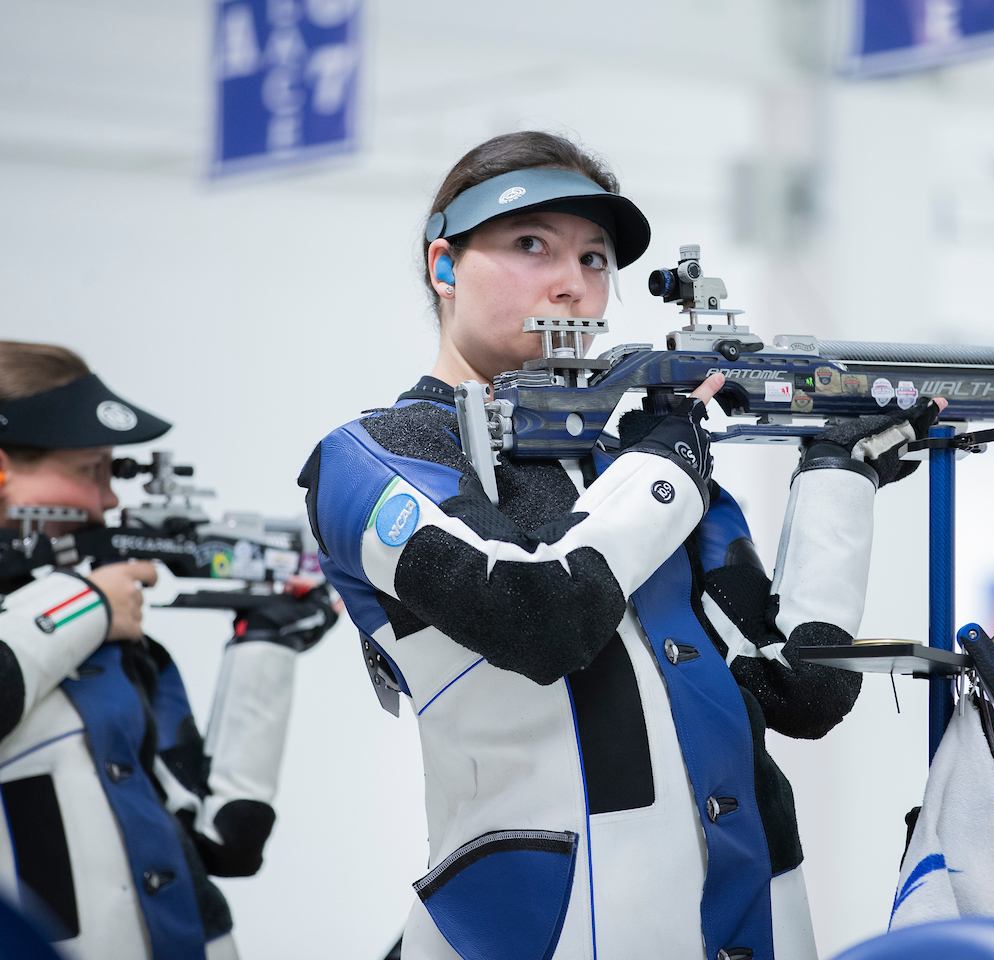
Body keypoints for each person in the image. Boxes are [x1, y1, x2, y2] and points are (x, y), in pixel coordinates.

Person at [300, 131, 943, 960]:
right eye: (532, 244)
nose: (572, 284)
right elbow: (540, 614)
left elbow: (800, 691)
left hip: (759, 910)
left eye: (596, 259)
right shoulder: (374, 453)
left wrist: (837, 478)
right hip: (544, 925)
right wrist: (670, 463)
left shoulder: (641, 467)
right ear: (445, 266)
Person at [0, 341, 336, 960]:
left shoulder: (117, 652)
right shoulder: (81, 618)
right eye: (90, 470)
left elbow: (226, 841)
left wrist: (267, 645)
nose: (109, 501)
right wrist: (87, 602)